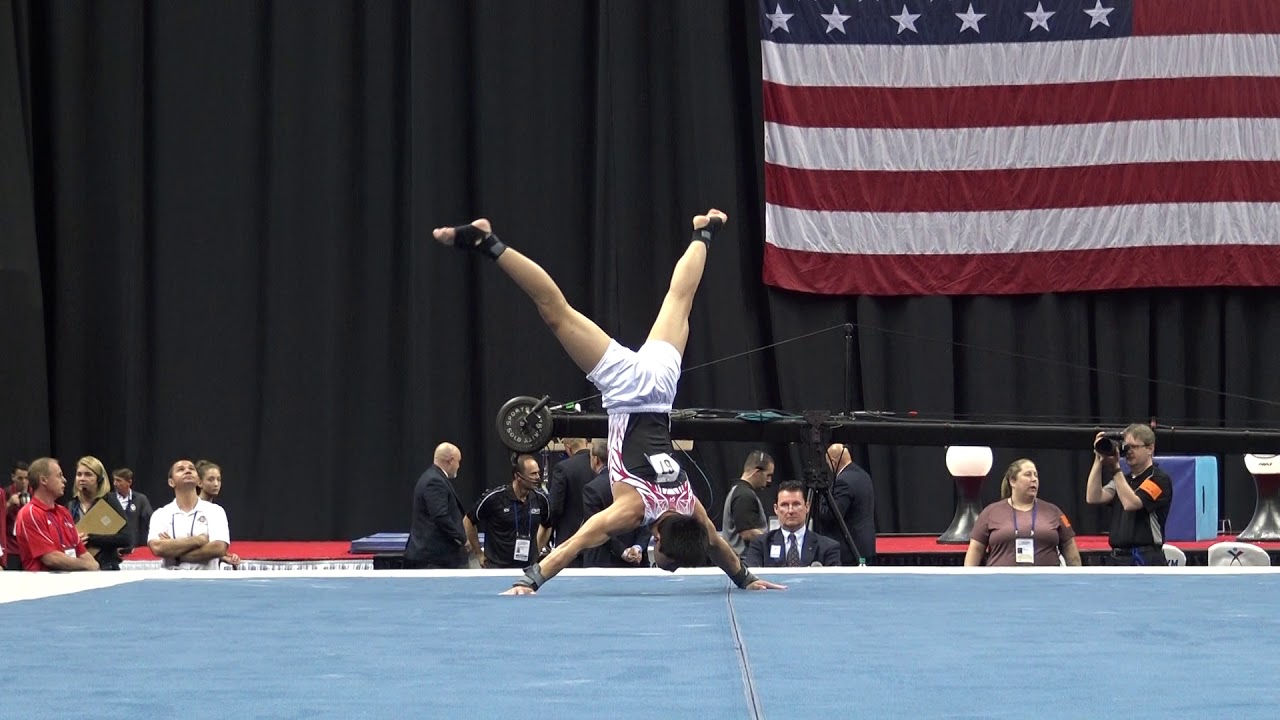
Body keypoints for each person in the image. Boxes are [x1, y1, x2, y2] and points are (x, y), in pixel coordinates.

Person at [432, 210, 784, 594]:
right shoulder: (634, 510)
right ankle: (488, 243)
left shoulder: (690, 510)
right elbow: (577, 541)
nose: (656, 553)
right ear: (658, 538)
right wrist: (530, 580)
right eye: (661, 554)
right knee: (555, 310)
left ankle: (704, 234)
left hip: (661, 388)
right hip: (627, 390)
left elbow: (717, 544)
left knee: (679, 300)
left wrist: (745, 579)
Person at [964, 459, 1081, 567]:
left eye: (1036, 475)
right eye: (1028, 474)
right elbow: (975, 550)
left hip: (1047, 584)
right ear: (1013, 481)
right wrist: (968, 580)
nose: (1034, 479)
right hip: (1001, 584)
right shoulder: (990, 512)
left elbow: (1070, 548)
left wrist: (1077, 581)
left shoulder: (1054, 511)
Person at [1085, 424, 1173, 566]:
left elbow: (1131, 503)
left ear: (1150, 449)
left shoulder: (1159, 479)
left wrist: (1115, 469)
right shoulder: (1123, 480)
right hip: (1117, 557)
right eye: (1126, 447)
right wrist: (1098, 459)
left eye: (1134, 447)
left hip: (1145, 557)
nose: (1129, 451)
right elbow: (1093, 497)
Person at [464, 454, 553, 569]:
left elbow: (548, 525)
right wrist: (479, 554)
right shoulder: (495, 498)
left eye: (538, 473)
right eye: (533, 474)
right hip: (497, 568)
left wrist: (537, 549)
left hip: (528, 569)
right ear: (518, 476)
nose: (537, 477)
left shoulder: (541, 498)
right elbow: (468, 521)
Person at [13, 457, 98, 572]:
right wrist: (86, 565)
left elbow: (81, 551)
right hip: (46, 586)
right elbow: (50, 558)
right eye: (59, 475)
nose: (64, 480)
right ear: (43, 480)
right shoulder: (30, 513)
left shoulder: (64, 512)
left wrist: (94, 566)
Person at [147, 459, 232, 570]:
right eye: (181, 469)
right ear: (171, 482)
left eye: (191, 469)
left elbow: (218, 548)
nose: (187, 470)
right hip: (170, 582)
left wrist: (174, 551)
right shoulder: (161, 514)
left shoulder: (215, 511)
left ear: (198, 481)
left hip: (205, 583)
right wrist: (199, 540)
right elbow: (157, 547)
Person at [744, 481, 841, 567]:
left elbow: (834, 584)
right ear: (776, 509)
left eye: (796, 504)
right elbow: (752, 579)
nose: (790, 510)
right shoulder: (761, 545)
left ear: (807, 507)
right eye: (784, 505)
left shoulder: (828, 547)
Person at [404, 442, 470, 569]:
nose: (458, 466)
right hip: (433, 558)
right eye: (458, 462)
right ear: (450, 461)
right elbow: (441, 516)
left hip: (433, 557)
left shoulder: (432, 477)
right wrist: (462, 539)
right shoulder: (435, 481)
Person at [813, 443, 876, 565]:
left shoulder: (843, 481)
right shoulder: (864, 475)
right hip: (866, 547)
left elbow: (832, 515)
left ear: (833, 462)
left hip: (850, 550)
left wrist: (820, 499)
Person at [67, 456, 132, 571]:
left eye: (88, 474)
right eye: (79, 474)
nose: (82, 478)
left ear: (99, 479)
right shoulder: (72, 506)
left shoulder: (109, 501)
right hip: (80, 569)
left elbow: (126, 539)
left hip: (107, 567)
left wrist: (91, 538)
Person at [546, 437, 593, 565]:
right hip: (599, 543)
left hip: (570, 543)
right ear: (587, 444)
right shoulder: (603, 467)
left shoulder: (563, 468)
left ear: (567, 447)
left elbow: (554, 508)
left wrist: (547, 535)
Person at [721, 450, 773, 558]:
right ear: (757, 472)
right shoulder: (744, 495)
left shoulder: (738, 491)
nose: (769, 480)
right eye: (768, 475)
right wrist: (775, 541)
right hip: (743, 560)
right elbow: (747, 533)